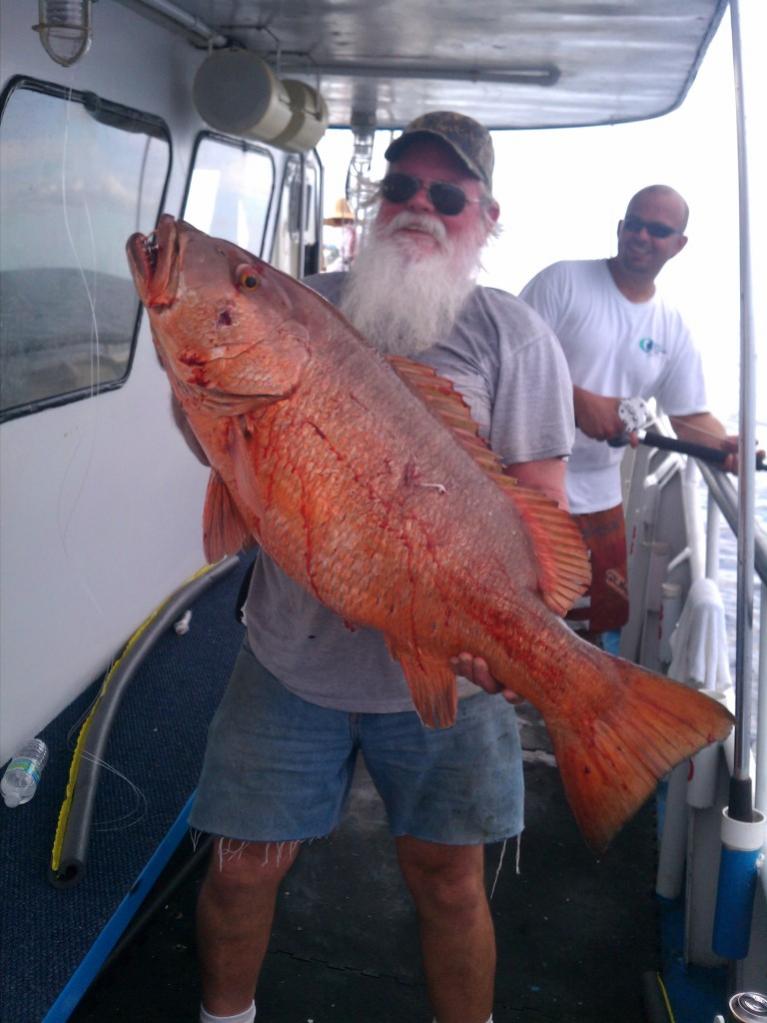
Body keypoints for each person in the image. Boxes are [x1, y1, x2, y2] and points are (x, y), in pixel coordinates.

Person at [190, 111, 575, 1023]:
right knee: (240, 866)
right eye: (400, 187)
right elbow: (227, 455)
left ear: (486, 216)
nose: (418, 207)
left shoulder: (514, 336)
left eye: (447, 194)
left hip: (451, 676)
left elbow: (540, 507)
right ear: (375, 201)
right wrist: (196, 373)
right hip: (290, 658)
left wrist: (519, 640)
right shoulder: (295, 305)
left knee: (448, 879)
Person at [520, 185, 737, 648]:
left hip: (600, 498)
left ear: (678, 245)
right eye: (634, 223)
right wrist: (575, 400)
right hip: (524, 485)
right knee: (515, 614)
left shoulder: (672, 328)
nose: (641, 235)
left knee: (599, 627)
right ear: (620, 227)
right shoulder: (562, 282)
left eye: (657, 230)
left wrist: (726, 447)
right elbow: (507, 364)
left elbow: (691, 417)